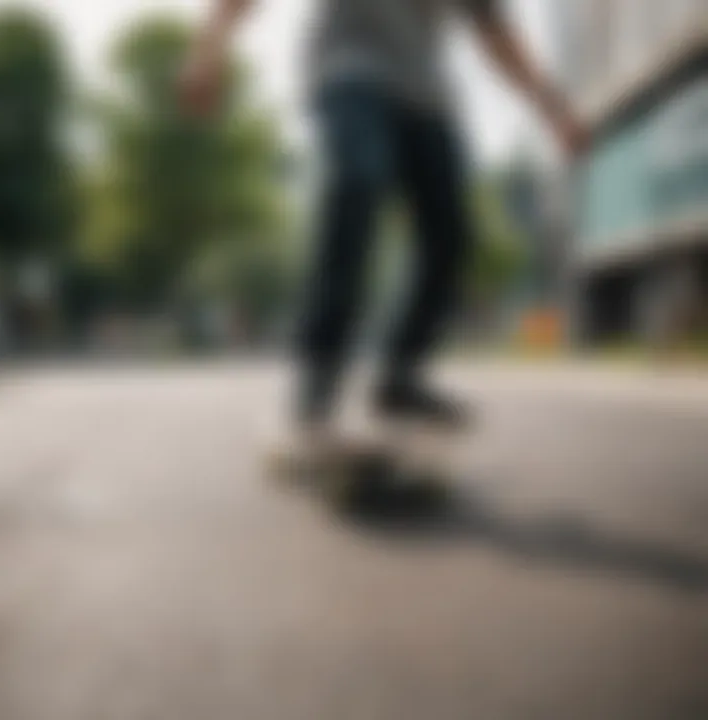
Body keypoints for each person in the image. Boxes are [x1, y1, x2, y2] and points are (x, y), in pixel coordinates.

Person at [181, 0, 589, 433]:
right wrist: (206, 54)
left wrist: (554, 109)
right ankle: (320, 372)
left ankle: (400, 377)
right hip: (348, 70)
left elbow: (496, 35)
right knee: (359, 179)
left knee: (449, 233)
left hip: (425, 95)